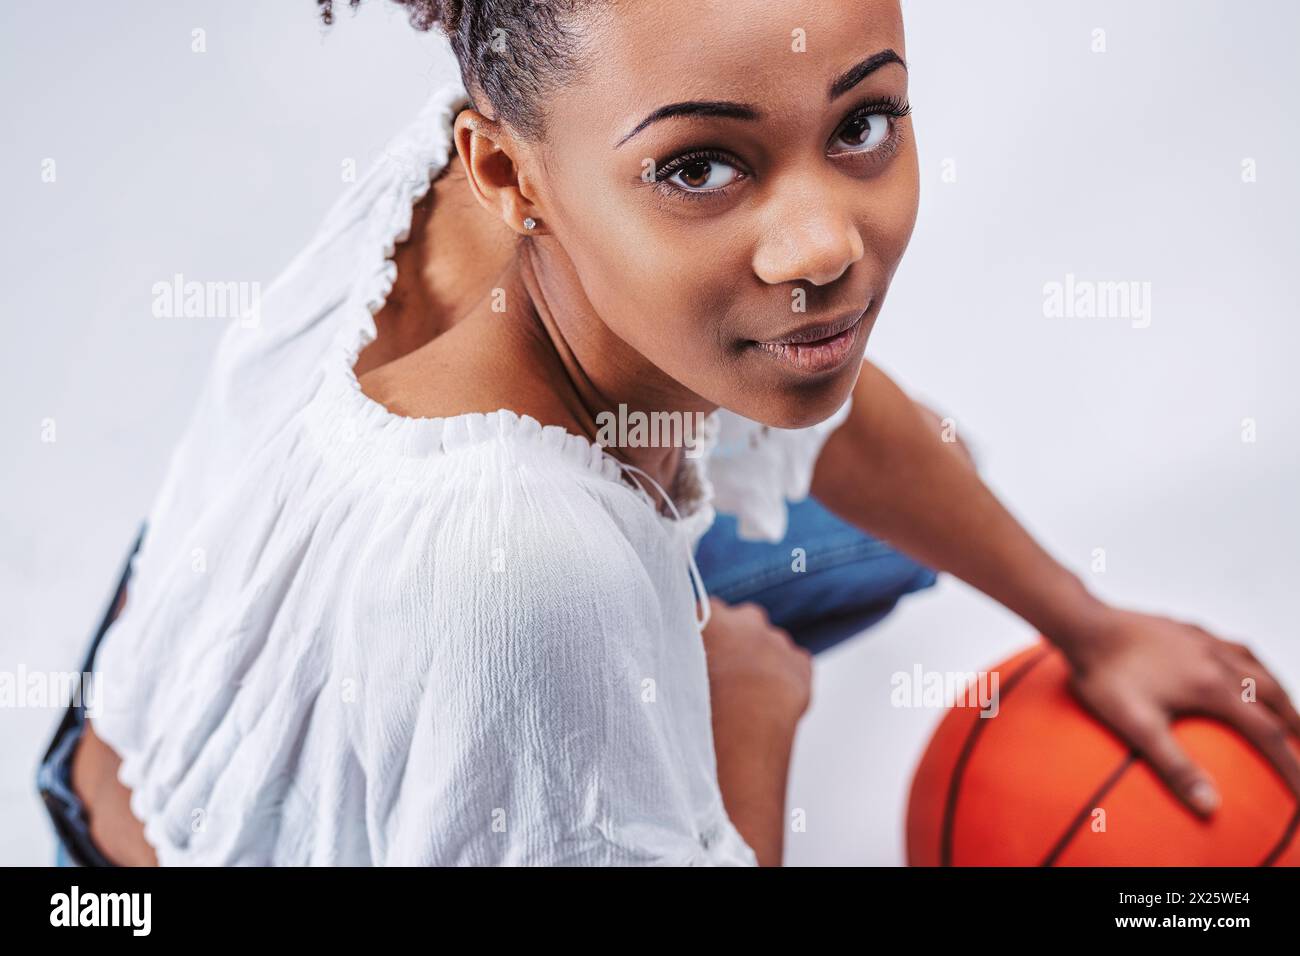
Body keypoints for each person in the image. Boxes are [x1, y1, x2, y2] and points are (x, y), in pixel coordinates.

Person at [39, 0, 1300, 867]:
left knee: (896, 506)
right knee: (756, 598)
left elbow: (833, 408)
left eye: (860, 124)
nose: (824, 248)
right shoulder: (523, 572)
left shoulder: (513, 155)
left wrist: (1086, 620)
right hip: (181, 834)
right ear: (509, 175)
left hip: (189, 637)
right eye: (703, 165)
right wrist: (749, 716)